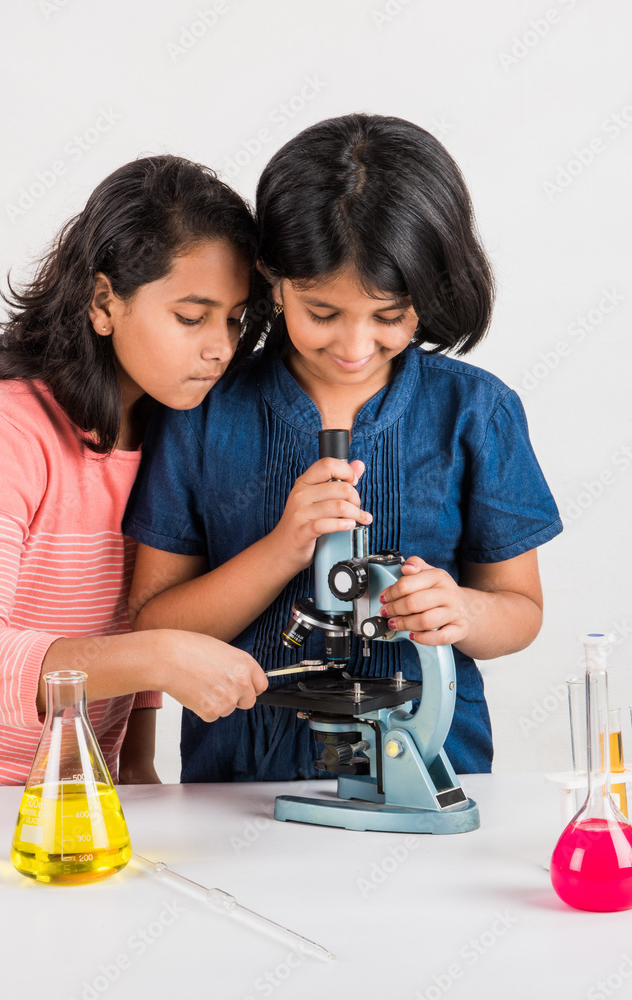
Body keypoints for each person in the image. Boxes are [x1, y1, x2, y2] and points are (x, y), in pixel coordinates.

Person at [125, 114, 563, 782]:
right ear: (273, 278)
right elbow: (153, 620)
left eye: (389, 316)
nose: (355, 348)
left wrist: (461, 609)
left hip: (433, 761)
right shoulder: (204, 411)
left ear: (435, 287)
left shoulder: (476, 411)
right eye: (323, 313)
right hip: (240, 781)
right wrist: (281, 550)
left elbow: (521, 611)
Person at [0, 155, 268, 786]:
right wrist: (159, 655)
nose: (219, 347)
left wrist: (134, 761)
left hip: (73, 788)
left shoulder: (175, 425)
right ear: (104, 301)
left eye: (234, 319)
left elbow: (136, 610)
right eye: (191, 316)